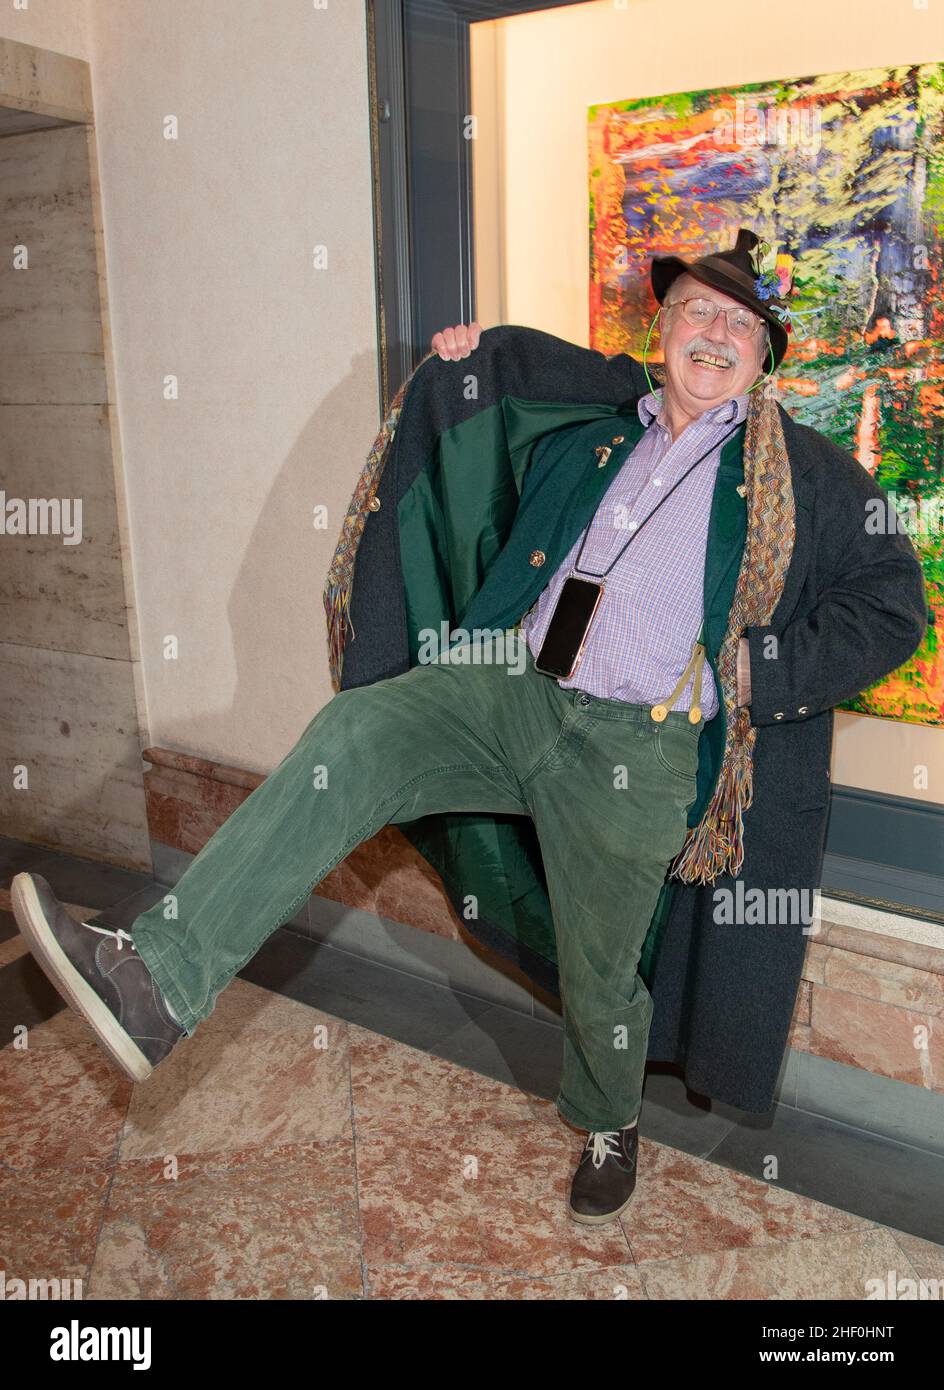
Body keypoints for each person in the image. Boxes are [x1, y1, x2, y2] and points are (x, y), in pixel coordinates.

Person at [11, 228, 927, 1227]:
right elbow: (506, 395)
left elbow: (893, 603)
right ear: (659, 329)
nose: (715, 335)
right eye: (697, 313)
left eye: (740, 325)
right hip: (511, 684)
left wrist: (752, 668)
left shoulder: (803, 473)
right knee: (355, 736)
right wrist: (462, 368)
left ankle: (607, 1116)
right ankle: (155, 982)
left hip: (639, 744)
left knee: (599, 964)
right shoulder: (599, 419)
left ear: (763, 358)